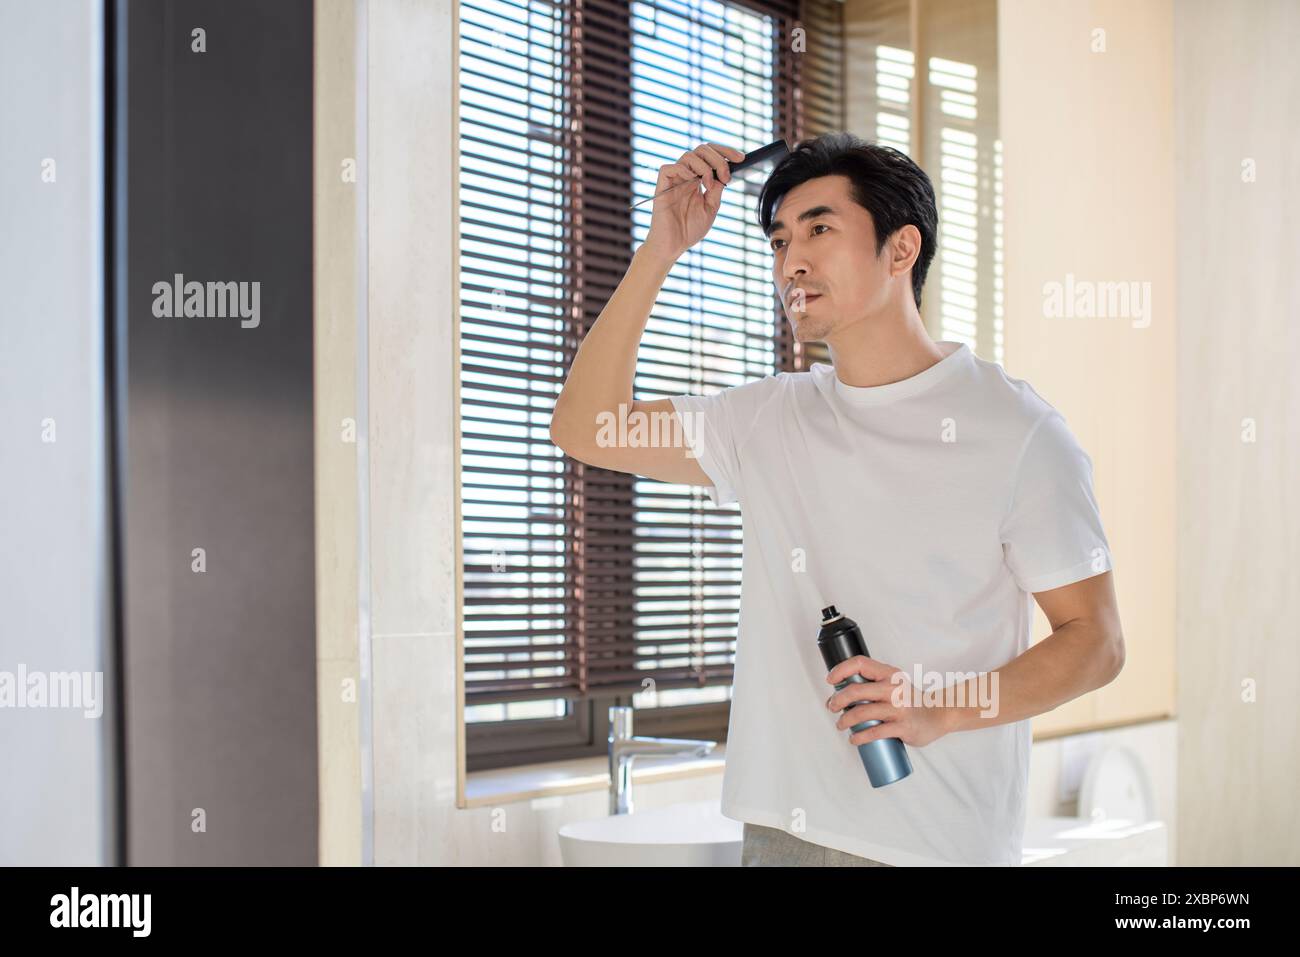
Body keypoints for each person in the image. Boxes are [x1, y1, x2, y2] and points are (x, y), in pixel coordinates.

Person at [549, 133, 1125, 866]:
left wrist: (940, 706)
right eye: (780, 239)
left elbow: (1096, 642)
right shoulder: (765, 419)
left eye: (820, 228)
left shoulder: (1016, 431)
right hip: (781, 838)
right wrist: (660, 248)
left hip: (935, 847)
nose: (793, 259)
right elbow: (584, 427)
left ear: (900, 249)